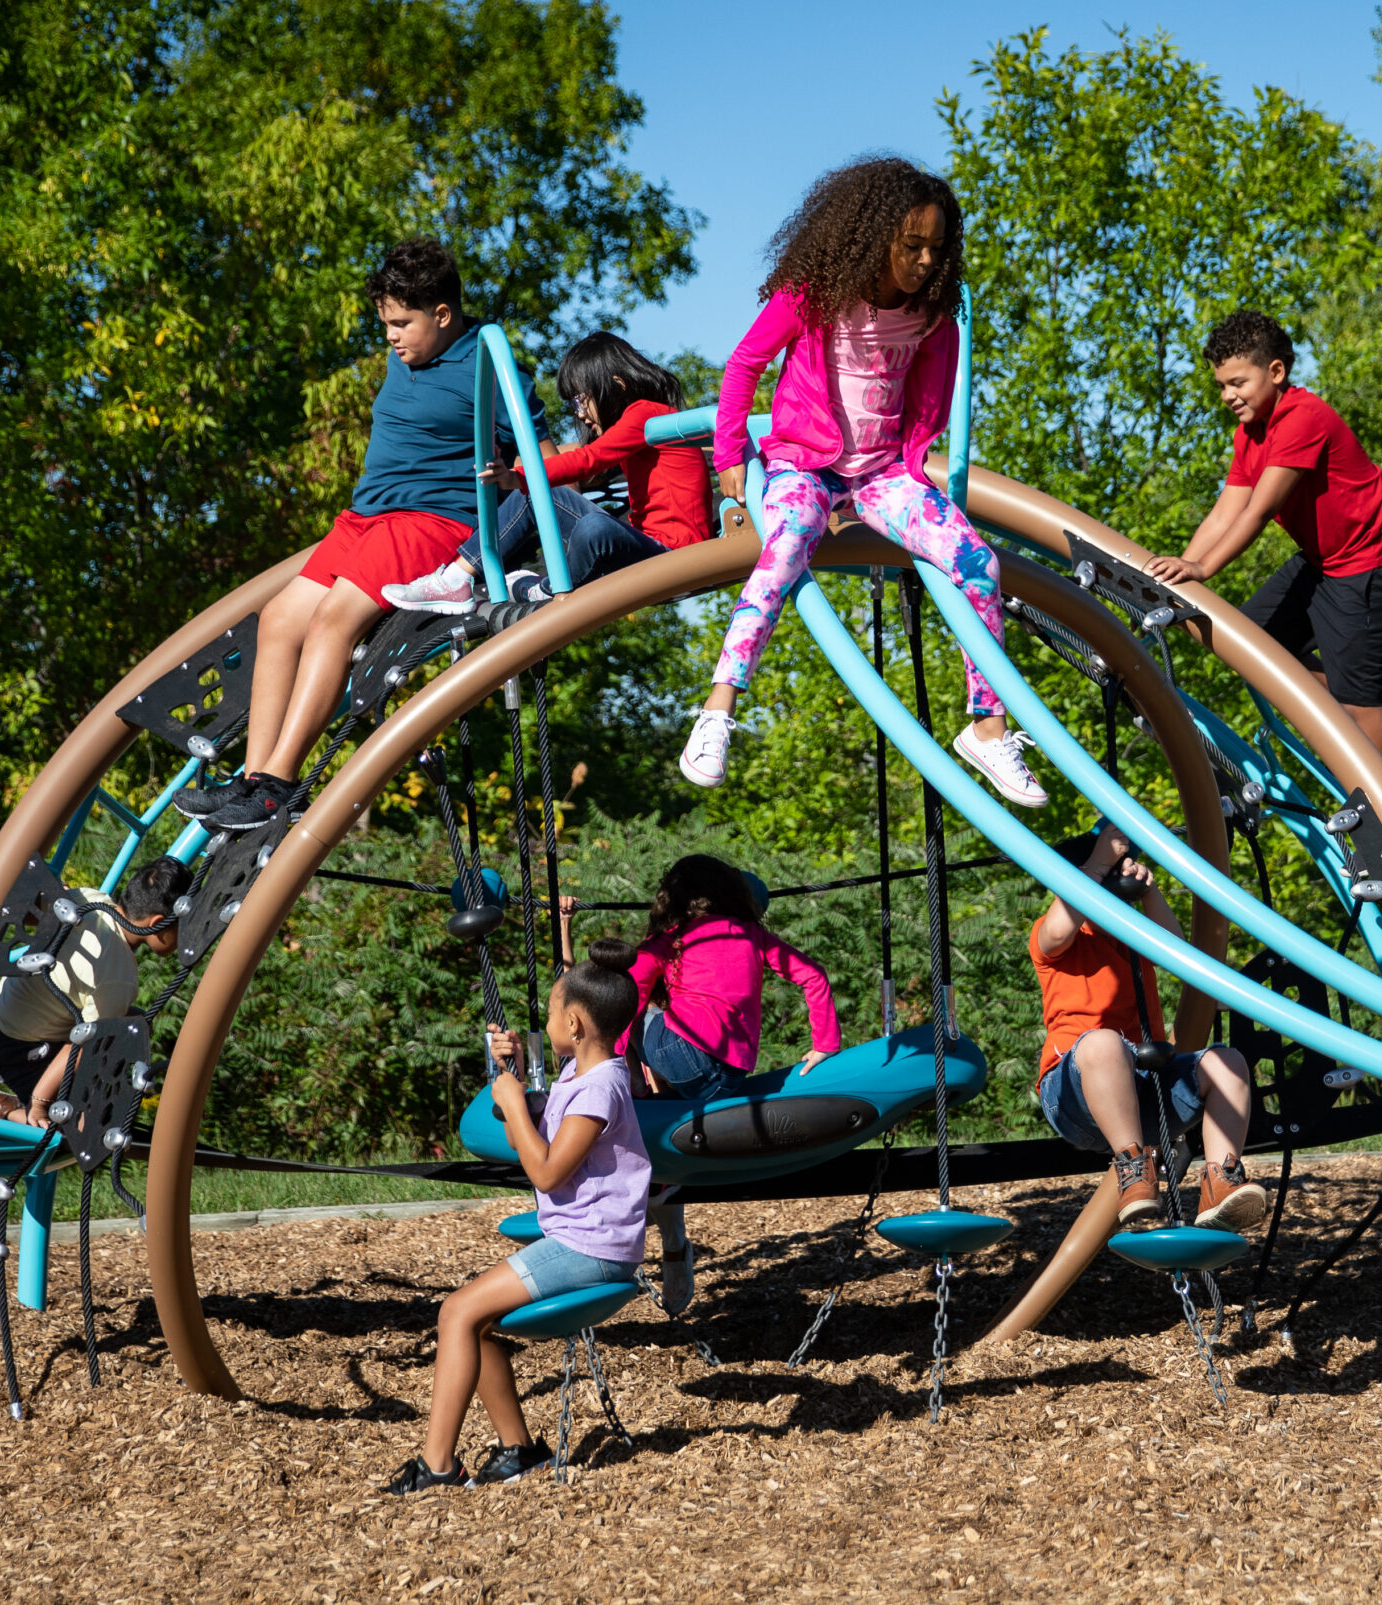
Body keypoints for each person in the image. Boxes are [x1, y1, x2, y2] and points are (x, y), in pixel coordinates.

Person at [681, 157, 1048, 809]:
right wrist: (731, 454)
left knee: (977, 562)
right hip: (805, 463)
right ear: (873, 237)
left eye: (938, 249)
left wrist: (914, 466)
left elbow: (930, 399)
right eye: (912, 247)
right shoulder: (816, 294)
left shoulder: (932, 317)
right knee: (788, 543)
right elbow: (743, 367)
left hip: (881, 474)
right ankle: (718, 707)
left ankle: (986, 726)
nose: (926, 261)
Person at [175, 239, 550, 831]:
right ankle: (251, 780)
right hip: (362, 518)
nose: (392, 337)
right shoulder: (404, 358)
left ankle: (280, 782)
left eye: (402, 323)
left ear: (443, 315)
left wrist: (512, 484)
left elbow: (546, 461)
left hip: (430, 520)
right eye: (386, 324)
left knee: (333, 620)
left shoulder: (488, 363)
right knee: (278, 618)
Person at [381, 939, 652, 1495]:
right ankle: (519, 1449)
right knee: (471, 1322)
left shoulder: (599, 1089)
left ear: (575, 1024)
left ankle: (437, 1467)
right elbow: (524, 1130)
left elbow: (547, 1173)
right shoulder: (581, 1072)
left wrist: (509, 1097)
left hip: (593, 1249)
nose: (546, 1021)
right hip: (579, 1238)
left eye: (552, 1013)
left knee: (456, 1312)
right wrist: (507, 1078)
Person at [1142, 310, 1382, 779]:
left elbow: (1259, 509)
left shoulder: (1302, 418)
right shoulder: (1249, 435)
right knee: (1255, 640)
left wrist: (1202, 569)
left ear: (1276, 371)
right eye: (1221, 386)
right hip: (1326, 562)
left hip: (1376, 560)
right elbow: (1225, 510)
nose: (1228, 395)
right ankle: (1354, 698)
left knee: (1358, 704)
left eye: (1238, 382)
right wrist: (1181, 565)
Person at [607, 853, 839, 1315]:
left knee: (640, 1010)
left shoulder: (670, 940)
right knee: (665, 1037)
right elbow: (813, 976)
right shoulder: (753, 935)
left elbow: (625, 993)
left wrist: (614, 1062)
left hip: (681, 1058)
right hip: (729, 1077)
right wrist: (824, 1044)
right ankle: (662, 1180)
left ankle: (632, 1082)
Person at [1031, 825, 1268, 1230]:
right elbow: (1057, 929)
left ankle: (1220, 1182)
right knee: (1106, 1043)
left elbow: (1176, 952)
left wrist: (1147, 891)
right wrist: (1099, 862)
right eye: (1103, 877)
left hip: (1144, 1092)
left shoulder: (1132, 933)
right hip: (1074, 1093)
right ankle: (1133, 1169)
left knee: (1227, 1061)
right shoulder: (1053, 936)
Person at [385, 332, 713, 613]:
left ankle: (541, 587)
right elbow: (578, 456)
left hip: (673, 555)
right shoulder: (640, 427)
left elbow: (589, 459)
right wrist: (516, 468)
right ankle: (458, 579)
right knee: (548, 496)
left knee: (592, 526)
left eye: (582, 400)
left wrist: (520, 476)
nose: (581, 414)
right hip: (645, 549)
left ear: (616, 384)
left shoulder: (645, 414)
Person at [0, 856, 188, 1127]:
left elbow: (31, 911)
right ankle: (12, 1111)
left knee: (130, 1021)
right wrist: (41, 1104)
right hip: (20, 1052)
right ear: (156, 923)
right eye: (181, 927)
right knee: (85, 1129)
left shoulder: (88, 899)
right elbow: (84, 1043)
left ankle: (47, 1103)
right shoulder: (117, 977)